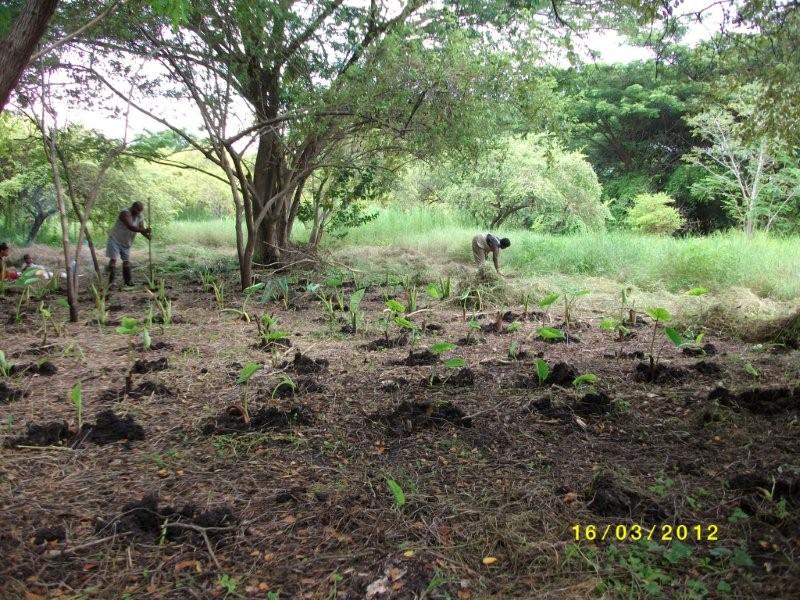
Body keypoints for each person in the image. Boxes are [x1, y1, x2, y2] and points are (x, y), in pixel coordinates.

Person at [106, 201, 151, 286]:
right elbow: (131, 226)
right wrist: (144, 230)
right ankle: (111, 282)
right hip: (115, 239)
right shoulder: (125, 213)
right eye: (138, 210)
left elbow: (141, 228)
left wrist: (147, 236)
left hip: (127, 242)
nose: (139, 213)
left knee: (126, 261)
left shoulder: (140, 216)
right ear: (133, 208)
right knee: (113, 260)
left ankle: (128, 281)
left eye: (140, 211)